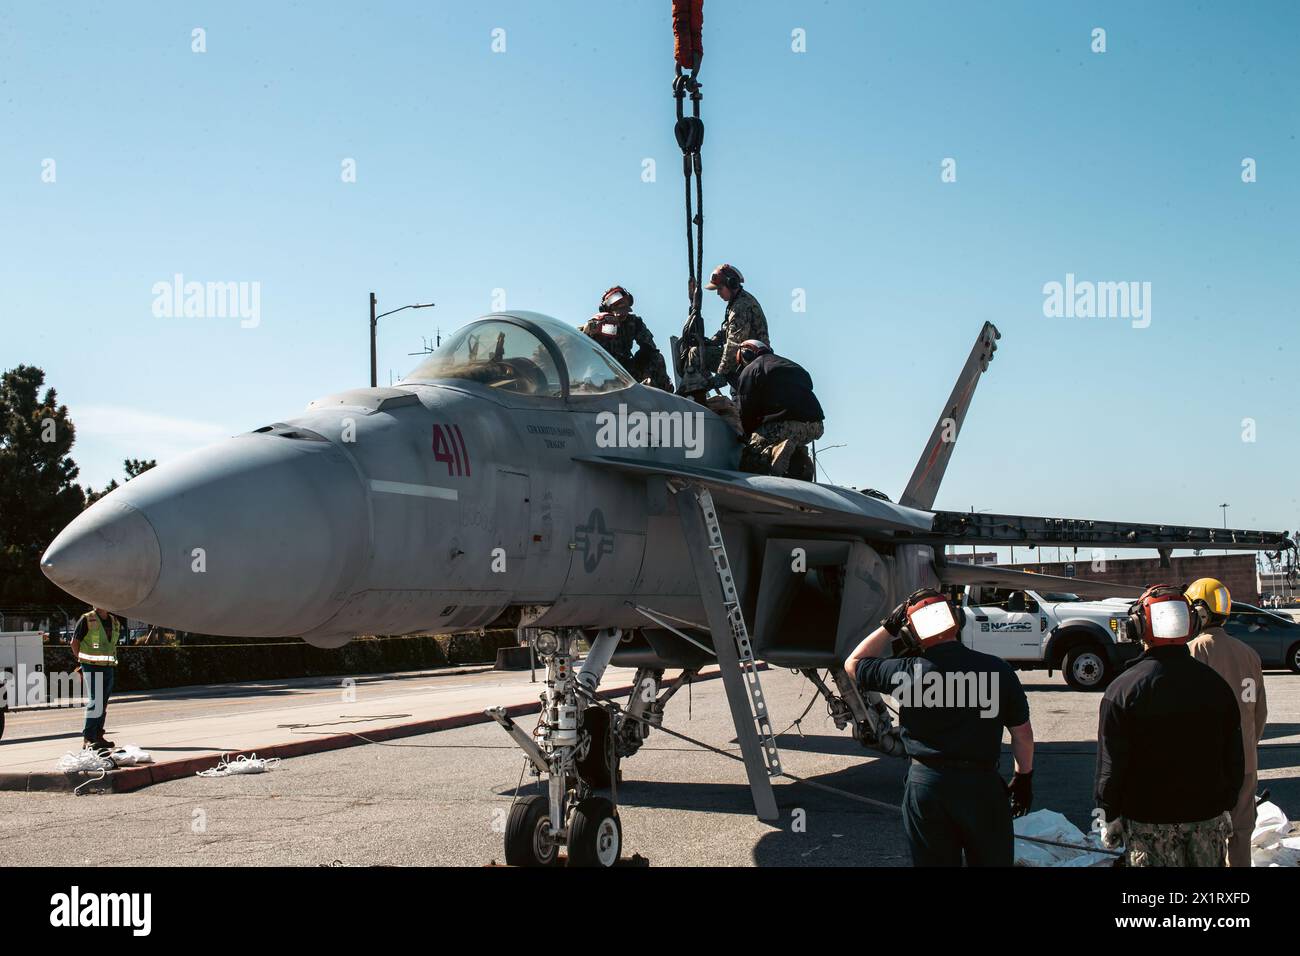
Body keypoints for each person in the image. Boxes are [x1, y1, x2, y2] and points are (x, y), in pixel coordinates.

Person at [845, 588, 1035, 867]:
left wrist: (889, 626)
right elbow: (1022, 735)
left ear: (913, 634)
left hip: (927, 787)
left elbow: (854, 663)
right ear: (957, 621)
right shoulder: (999, 671)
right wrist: (1024, 778)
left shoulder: (906, 672)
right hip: (981, 787)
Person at [1095, 584, 1243, 866]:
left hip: (1148, 823)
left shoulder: (1122, 691)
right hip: (1207, 819)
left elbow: (1110, 766)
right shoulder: (1216, 686)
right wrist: (1226, 805)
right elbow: (1234, 757)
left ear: (1138, 627)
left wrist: (1108, 813)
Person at [1186, 578, 1267, 867]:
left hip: (1210, 765)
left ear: (1200, 612)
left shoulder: (1194, 651)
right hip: (1245, 762)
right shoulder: (1249, 654)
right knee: (1242, 832)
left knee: (1207, 834)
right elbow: (1260, 713)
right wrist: (1247, 746)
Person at [733, 339, 824, 479]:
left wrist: (744, 436)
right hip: (815, 426)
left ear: (746, 354)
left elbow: (746, 413)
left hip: (784, 425)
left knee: (749, 460)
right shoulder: (792, 365)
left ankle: (774, 450)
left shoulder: (750, 370)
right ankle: (800, 461)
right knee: (788, 438)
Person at [578, 286, 671, 390]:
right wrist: (590, 329)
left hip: (625, 370)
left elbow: (650, 347)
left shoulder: (634, 322)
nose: (623, 314)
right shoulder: (598, 322)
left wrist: (644, 362)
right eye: (618, 306)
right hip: (602, 368)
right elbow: (577, 339)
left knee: (656, 358)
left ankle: (661, 392)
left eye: (625, 307)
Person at [703, 264, 769, 382]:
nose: (718, 293)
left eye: (720, 288)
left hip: (750, 360)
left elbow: (734, 343)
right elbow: (728, 329)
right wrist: (712, 341)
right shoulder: (739, 300)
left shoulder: (740, 307)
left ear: (731, 284)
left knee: (699, 353)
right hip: (751, 359)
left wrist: (721, 373)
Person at [71, 606, 125, 750]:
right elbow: (74, 642)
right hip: (91, 666)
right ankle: (88, 738)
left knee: (103, 703)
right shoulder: (87, 619)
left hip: (108, 666)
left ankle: (98, 735)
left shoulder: (114, 621)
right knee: (96, 701)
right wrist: (82, 660)